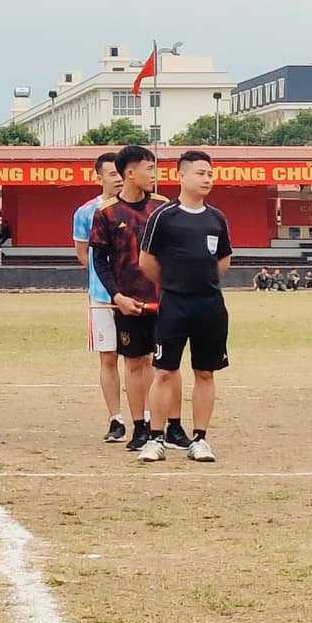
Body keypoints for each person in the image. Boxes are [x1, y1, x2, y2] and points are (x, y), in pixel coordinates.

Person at [138, 149, 231, 463]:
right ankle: (156, 438)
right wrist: (174, 284)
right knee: (164, 371)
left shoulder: (217, 218)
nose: (207, 179)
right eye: (200, 173)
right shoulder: (164, 216)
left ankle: (200, 439)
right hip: (174, 304)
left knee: (205, 372)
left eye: (210, 174)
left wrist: (202, 281)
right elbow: (146, 261)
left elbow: (223, 260)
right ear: (181, 176)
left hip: (210, 306)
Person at [89, 144, 166, 455]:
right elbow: (99, 261)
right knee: (134, 363)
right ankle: (139, 427)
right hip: (127, 302)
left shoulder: (162, 207)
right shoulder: (106, 213)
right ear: (130, 173)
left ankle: (163, 425)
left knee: (163, 365)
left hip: (162, 301)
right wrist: (117, 296)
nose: (155, 174)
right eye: (150, 168)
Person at [70, 151, 129, 439]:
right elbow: (83, 255)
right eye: (112, 174)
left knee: (140, 359)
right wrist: (104, 278)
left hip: (135, 294)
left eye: (121, 173)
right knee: (108, 357)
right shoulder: (85, 213)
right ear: (99, 177)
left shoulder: (139, 209)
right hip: (102, 296)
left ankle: (144, 417)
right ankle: (115, 419)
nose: (118, 179)